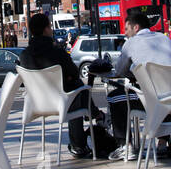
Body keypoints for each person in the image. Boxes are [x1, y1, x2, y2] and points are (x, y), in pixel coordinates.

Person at [17, 12, 114, 159]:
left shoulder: (24, 56)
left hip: (36, 103)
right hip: (62, 102)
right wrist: (67, 77)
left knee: (75, 88)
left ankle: (85, 135)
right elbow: (74, 73)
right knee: (77, 88)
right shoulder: (56, 51)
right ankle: (85, 134)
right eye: (49, 27)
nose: (51, 30)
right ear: (45, 30)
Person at [106, 8, 171, 160]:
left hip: (151, 100)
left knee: (114, 98)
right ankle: (162, 143)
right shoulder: (165, 38)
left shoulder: (131, 43)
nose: (125, 32)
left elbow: (120, 71)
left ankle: (125, 146)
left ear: (136, 27)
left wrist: (135, 75)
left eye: (127, 28)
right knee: (165, 89)